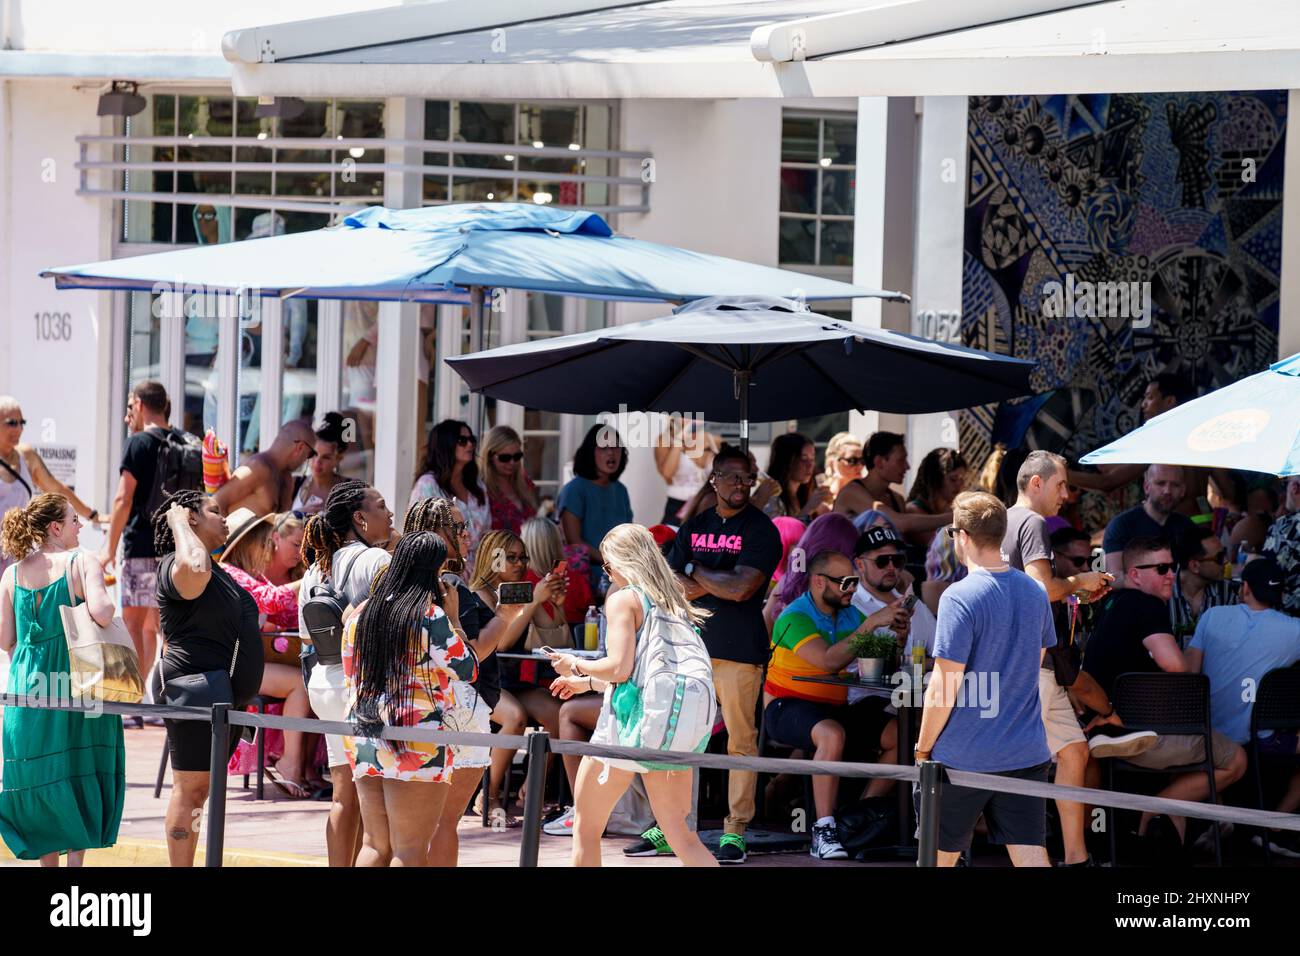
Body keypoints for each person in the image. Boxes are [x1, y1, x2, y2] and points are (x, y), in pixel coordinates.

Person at [547, 523, 719, 867]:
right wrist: (591, 684)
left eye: (607, 566)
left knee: (586, 827)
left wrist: (576, 664)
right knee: (682, 836)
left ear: (621, 562)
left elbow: (619, 668)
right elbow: (642, 673)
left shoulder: (623, 599)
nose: (606, 574)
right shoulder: (674, 602)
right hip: (672, 728)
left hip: (625, 730)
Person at [1002, 451, 1138, 867]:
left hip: (1027, 663)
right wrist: (1081, 580)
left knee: (1074, 752)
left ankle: (1077, 858)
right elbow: (1042, 588)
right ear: (1037, 484)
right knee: (1014, 768)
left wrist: (1074, 587)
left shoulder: (1005, 520)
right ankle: (1030, 858)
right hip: (1030, 665)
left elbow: (1032, 588)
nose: (1068, 493)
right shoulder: (1032, 522)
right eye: (1061, 484)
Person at [912, 491, 1056, 867]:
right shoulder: (1035, 592)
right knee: (1031, 855)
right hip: (1025, 750)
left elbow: (944, 686)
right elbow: (1035, 661)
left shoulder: (958, 597)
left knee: (936, 859)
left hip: (963, 755)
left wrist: (923, 748)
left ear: (961, 536)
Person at [1082, 536, 1247, 850]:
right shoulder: (1146, 605)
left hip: (1110, 731)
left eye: (1173, 567)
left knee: (1200, 745)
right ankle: (1153, 811)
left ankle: (1166, 838)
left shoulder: (1112, 603)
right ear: (1135, 575)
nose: (1171, 574)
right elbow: (1175, 666)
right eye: (1161, 568)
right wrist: (1190, 654)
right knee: (1236, 759)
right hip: (1139, 736)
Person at [667, 443, 783, 863]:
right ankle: (674, 822)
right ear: (713, 480)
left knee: (741, 741)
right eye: (730, 476)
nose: (740, 483)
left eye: (746, 476)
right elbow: (669, 581)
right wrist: (710, 579)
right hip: (691, 647)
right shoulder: (694, 525)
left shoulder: (762, 530)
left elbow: (742, 588)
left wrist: (696, 573)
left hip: (740, 649)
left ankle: (735, 829)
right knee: (683, 737)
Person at [0, 494, 124, 865]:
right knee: (79, 768)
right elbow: (102, 611)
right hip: (76, 678)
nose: (80, 526)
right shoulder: (82, 560)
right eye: (74, 520)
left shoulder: (12, 573)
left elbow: (5, 639)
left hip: (27, 684)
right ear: (56, 528)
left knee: (41, 771)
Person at [343, 532, 477, 867]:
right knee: (411, 848)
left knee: (374, 845)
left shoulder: (360, 615)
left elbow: (348, 671)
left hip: (365, 733)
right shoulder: (430, 617)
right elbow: (467, 668)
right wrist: (456, 620)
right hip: (418, 738)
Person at [766, 550, 909, 859]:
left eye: (855, 581)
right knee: (832, 734)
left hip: (833, 708)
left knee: (900, 734)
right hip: (786, 706)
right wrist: (870, 624)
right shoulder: (795, 616)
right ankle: (823, 829)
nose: (852, 589)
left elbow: (880, 664)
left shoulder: (849, 614)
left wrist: (897, 640)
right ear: (819, 582)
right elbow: (829, 660)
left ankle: (855, 820)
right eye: (845, 582)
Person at [151, 491, 264, 867]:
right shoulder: (177, 565)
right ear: (193, 519)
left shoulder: (217, 570)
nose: (225, 518)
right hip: (193, 689)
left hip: (221, 697)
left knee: (201, 792)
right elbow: (195, 569)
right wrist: (178, 522)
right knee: (190, 791)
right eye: (215, 511)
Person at [402, 496, 507, 865]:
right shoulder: (446, 589)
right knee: (443, 824)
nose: (468, 535)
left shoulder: (393, 587)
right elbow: (470, 657)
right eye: (458, 528)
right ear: (433, 533)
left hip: (410, 712)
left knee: (412, 831)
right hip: (453, 709)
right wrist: (506, 615)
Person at [298, 479, 394, 866]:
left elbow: (307, 634)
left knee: (343, 795)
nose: (389, 513)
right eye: (382, 506)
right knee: (376, 798)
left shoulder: (314, 570)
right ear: (359, 518)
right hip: (364, 686)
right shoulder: (379, 562)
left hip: (323, 683)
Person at [1186, 558, 1300, 857]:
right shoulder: (1295, 630)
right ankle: (1275, 826)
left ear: (1245, 588)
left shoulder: (1212, 616)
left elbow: (1189, 673)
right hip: (1262, 739)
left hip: (1209, 733)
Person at [469, 527, 568, 825]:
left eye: (523, 557)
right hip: (478, 682)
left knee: (559, 714)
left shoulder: (521, 590)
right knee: (514, 717)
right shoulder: (479, 594)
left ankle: (532, 787)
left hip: (509, 681)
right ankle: (489, 794)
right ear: (492, 557)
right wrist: (534, 601)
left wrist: (554, 604)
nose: (519, 563)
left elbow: (561, 641)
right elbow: (501, 642)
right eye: (510, 557)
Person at [219, 508, 312, 798]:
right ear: (248, 543)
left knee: (307, 680)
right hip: (230, 666)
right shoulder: (232, 574)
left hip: (240, 662)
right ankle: (291, 764)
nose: (269, 547)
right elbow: (270, 601)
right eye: (264, 540)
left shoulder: (247, 575)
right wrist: (312, 578)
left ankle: (298, 765)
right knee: (302, 683)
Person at [99, 380, 171, 687]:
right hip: (173, 551)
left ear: (139, 404)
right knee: (160, 628)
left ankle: (132, 699)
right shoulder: (183, 442)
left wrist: (108, 549)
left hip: (141, 547)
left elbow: (123, 498)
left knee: (132, 625)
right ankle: (165, 699)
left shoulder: (138, 443)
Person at [0, 399, 100, 576]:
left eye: (22, 423)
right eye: (11, 423)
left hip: (19, 550)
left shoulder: (27, 456)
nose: (19, 429)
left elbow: (58, 491)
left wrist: (91, 514)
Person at [557, 424, 634, 594]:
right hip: (585, 582)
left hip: (621, 577)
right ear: (590, 452)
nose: (611, 452)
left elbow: (629, 537)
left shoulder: (621, 490)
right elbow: (574, 541)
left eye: (615, 447)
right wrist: (610, 562)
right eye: (604, 447)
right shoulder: (574, 490)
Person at [851, 525, 938, 671]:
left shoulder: (914, 604)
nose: (891, 567)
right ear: (860, 564)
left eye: (897, 560)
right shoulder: (852, 606)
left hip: (917, 692)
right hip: (871, 693)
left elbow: (944, 653)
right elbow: (871, 667)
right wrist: (926, 663)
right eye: (882, 561)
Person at [834, 431, 951, 539]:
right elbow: (900, 523)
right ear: (879, 462)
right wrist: (951, 517)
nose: (907, 466)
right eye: (901, 460)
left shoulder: (897, 499)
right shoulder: (851, 492)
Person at [410, 419, 491, 566]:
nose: (470, 445)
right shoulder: (428, 484)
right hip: (443, 569)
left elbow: (487, 532)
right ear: (445, 445)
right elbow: (418, 534)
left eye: (472, 440)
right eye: (462, 440)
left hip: (478, 571)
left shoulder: (477, 485)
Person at [763, 512, 860, 631]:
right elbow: (762, 633)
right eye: (849, 555)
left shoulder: (789, 580)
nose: (851, 563)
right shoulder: (789, 581)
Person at [1101, 465, 1198, 582]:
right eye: (1160, 483)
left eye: (1175, 485)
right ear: (1146, 487)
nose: (1167, 491)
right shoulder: (1122, 525)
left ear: (1183, 491)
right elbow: (1113, 579)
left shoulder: (1187, 526)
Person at [214, 419, 318, 517]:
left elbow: (279, 525)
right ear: (299, 448)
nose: (306, 461)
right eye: (310, 455)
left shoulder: (287, 480)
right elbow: (216, 503)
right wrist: (225, 535)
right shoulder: (257, 467)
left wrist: (299, 514)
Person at [1169, 527, 1239, 641]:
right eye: (1219, 557)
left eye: (1224, 553)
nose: (1226, 561)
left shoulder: (1230, 593)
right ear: (1194, 566)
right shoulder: (1161, 595)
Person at [655, 417, 719, 525]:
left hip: (707, 503)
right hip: (677, 505)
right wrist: (680, 439)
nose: (689, 418)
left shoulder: (713, 438)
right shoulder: (665, 439)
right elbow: (667, 474)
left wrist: (704, 437)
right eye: (683, 415)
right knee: (670, 539)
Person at [904, 448, 969, 551]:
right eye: (953, 479)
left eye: (962, 479)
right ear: (935, 480)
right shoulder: (913, 510)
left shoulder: (952, 509)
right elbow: (939, 547)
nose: (960, 484)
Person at [480, 425, 539, 535]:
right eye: (505, 458)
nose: (512, 463)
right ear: (490, 456)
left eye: (517, 456)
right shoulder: (481, 488)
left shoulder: (525, 482)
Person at [291, 412, 350, 516]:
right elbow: (277, 525)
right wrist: (298, 513)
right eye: (314, 454)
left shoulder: (351, 489)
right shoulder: (294, 484)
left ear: (338, 458)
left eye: (326, 457)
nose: (317, 462)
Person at [763, 432, 830, 521]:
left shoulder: (803, 494)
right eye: (804, 458)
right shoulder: (772, 497)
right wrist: (809, 509)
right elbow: (781, 532)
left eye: (812, 458)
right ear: (787, 460)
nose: (810, 465)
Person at [1263, 476, 1300, 616]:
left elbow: (1268, 576)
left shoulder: (1285, 526)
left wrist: (1253, 562)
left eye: (1285, 484)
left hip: (1291, 619)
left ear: (1294, 488)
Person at [265, 511, 306, 585]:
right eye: (296, 544)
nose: (301, 552)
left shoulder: (302, 577)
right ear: (276, 538)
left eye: (305, 547)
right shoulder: (255, 569)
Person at [822, 431, 865, 502]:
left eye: (863, 460)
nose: (860, 466)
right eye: (852, 460)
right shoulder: (823, 494)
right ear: (833, 462)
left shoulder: (866, 492)